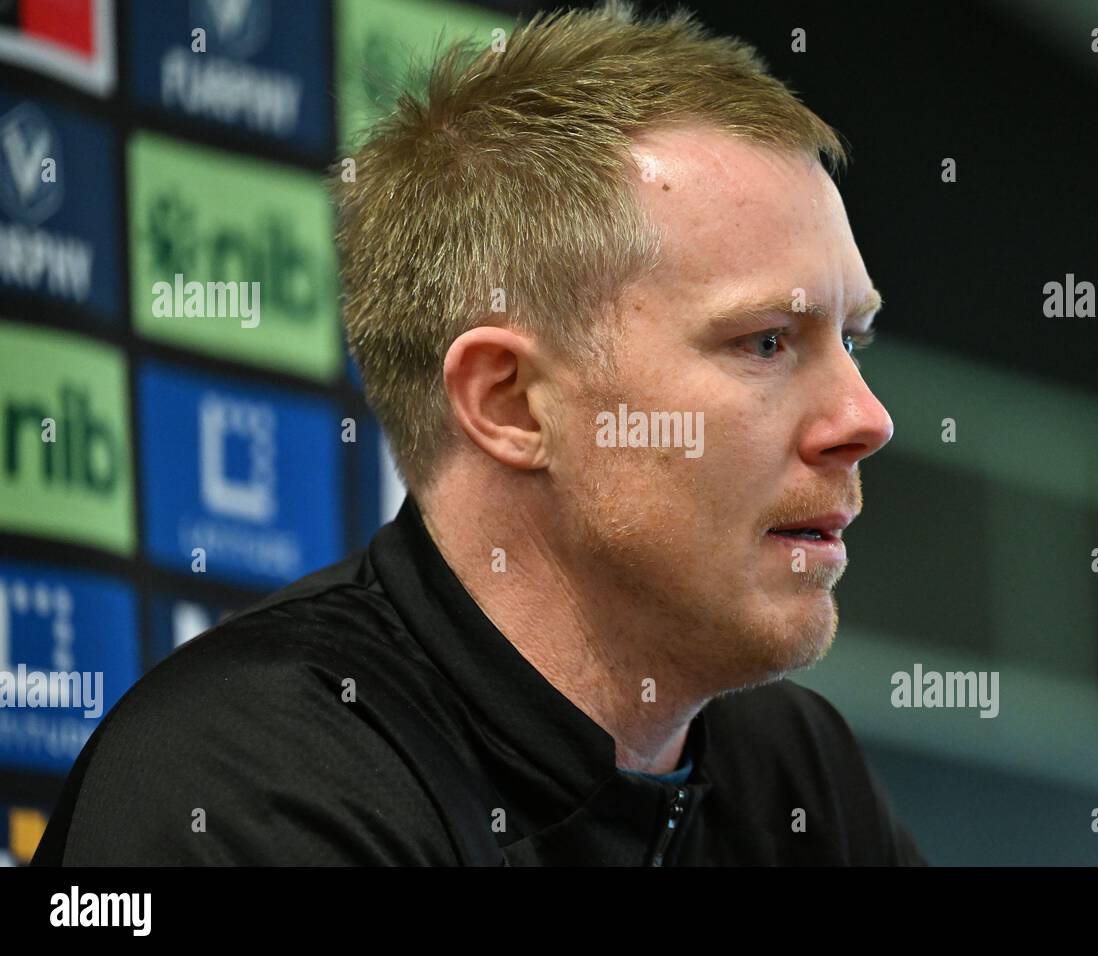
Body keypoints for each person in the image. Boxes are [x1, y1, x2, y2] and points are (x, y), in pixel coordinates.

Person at [33, 0, 925, 866]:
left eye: (852, 339)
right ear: (509, 404)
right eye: (767, 342)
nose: (867, 419)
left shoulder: (793, 771)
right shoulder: (249, 780)